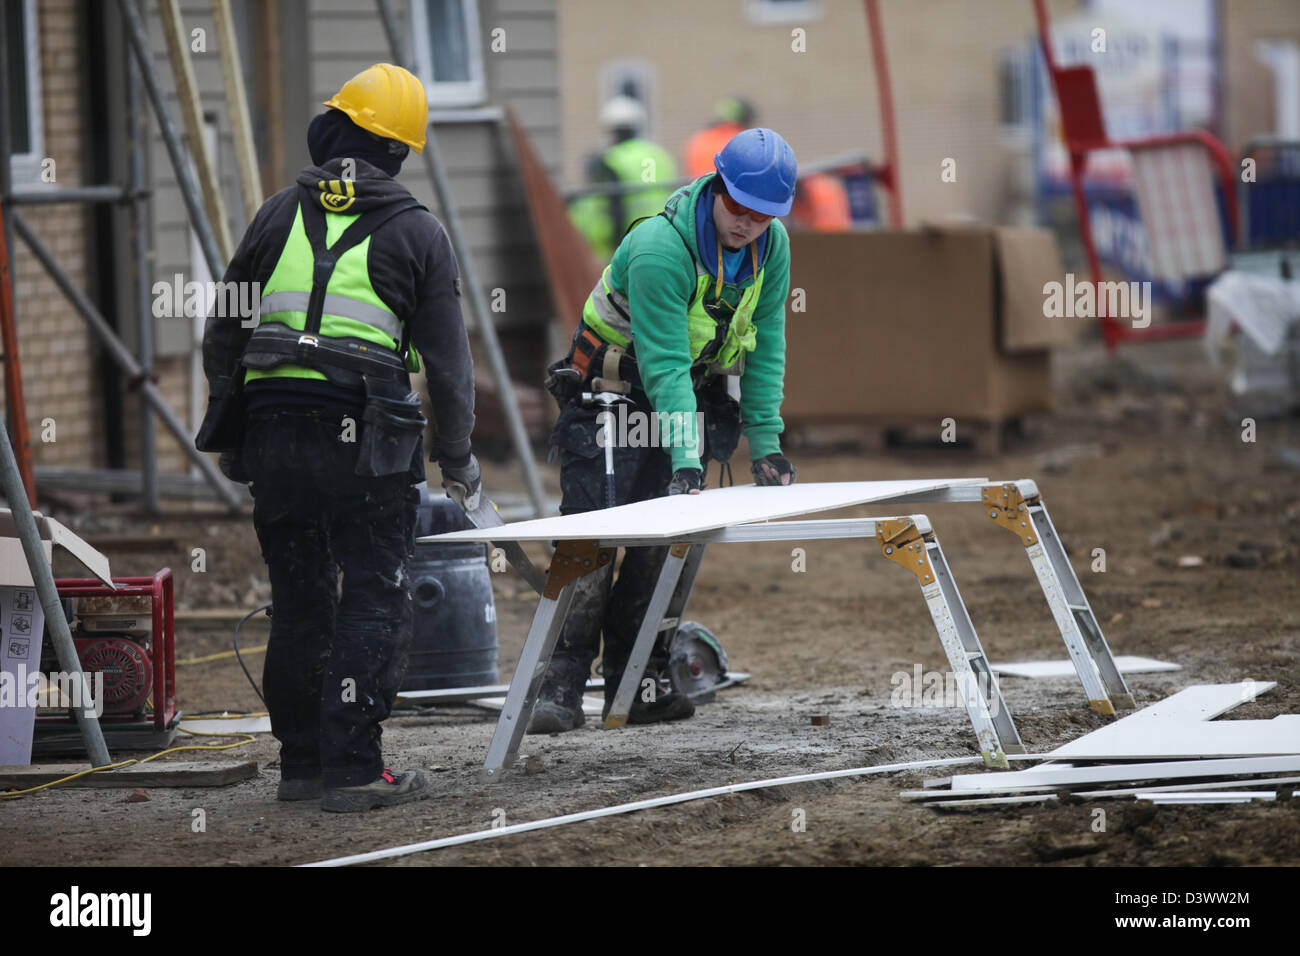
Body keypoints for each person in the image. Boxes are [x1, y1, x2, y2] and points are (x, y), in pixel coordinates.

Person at [195, 63, 480, 812]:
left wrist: (232, 429)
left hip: (275, 429)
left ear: (335, 133)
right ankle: (354, 769)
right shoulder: (419, 232)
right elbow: (449, 368)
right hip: (367, 441)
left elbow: (224, 329)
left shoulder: (274, 213)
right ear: (400, 151)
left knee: (299, 600)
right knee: (372, 596)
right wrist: (458, 458)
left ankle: (304, 767)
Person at [530, 127, 799, 734]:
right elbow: (664, 363)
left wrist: (768, 443)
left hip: (686, 395)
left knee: (672, 542)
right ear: (717, 187)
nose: (748, 225)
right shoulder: (660, 249)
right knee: (593, 538)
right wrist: (685, 457)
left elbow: (768, 345)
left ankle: (643, 686)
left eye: (764, 216)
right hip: (610, 396)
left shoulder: (771, 247)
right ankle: (561, 685)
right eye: (739, 208)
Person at [569, 96, 679, 260]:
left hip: (624, 243)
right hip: (664, 238)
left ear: (610, 129)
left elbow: (615, 209)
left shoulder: (611, 159)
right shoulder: (660, 155)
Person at [681, 97, 755, 179]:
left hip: (702, 187)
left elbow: (690, 168)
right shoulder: (742, 140)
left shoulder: (701, 137)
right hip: (727, 188)